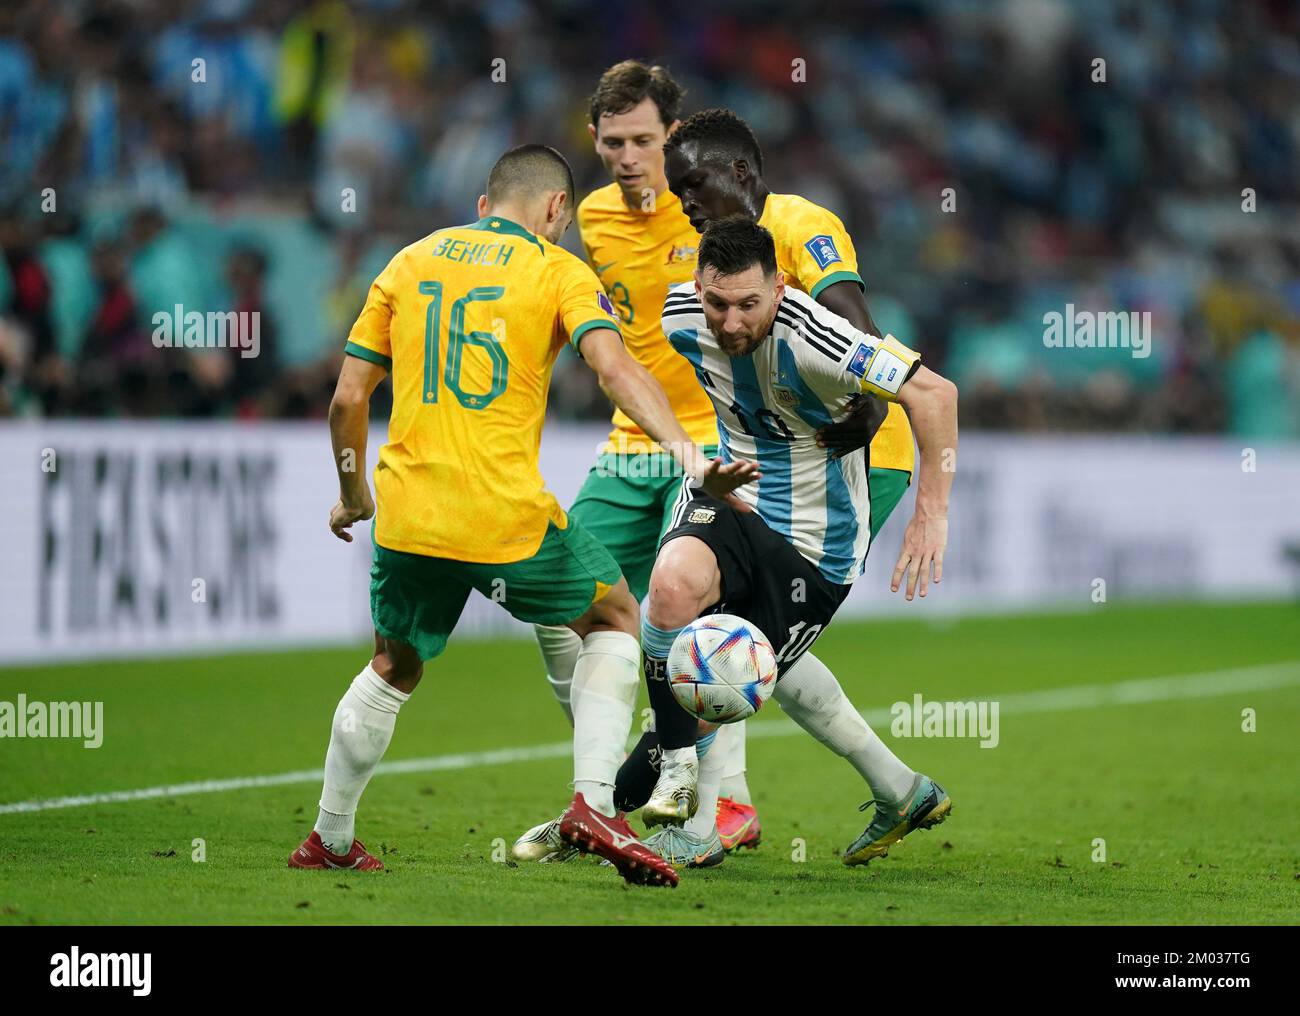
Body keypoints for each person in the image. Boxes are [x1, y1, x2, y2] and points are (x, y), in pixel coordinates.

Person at [286, 143, 756, 888]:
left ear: (483, 205)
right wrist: (688, 455)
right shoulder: (555, 267)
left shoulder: (408, 261)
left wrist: (352, 494)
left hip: (408, 514)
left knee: (393, 664)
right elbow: (615, 367)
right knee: (614, 617)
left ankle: (329, 836)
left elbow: (347, 400)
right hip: (501, 513)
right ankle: (595, 804)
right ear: (555, 209)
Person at [515, 68, 879, 863]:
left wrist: (872, 394)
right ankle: (618, 784)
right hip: (631, 444)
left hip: (726, 453)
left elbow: (845, 329)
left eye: (644, 140)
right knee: (564, 600)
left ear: (673, 138)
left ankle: (695, 797)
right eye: (611, 143)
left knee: (715, 622)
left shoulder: (732, 215)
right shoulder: (596, 218)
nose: (627, 158)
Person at [640, 216, 958, 869]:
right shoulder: (678, 315)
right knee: (674, 595)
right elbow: (632, 375)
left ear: (780, 290)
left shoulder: (816, 335)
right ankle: (679, 788)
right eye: (717, 303)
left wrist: (931, 513)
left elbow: (934, 394)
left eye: (748, 305)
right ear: (697, 286)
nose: (730, 323)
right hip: (733, 494)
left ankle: (689, 816)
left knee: (728, 677)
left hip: (815, 542)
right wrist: (687, 456)